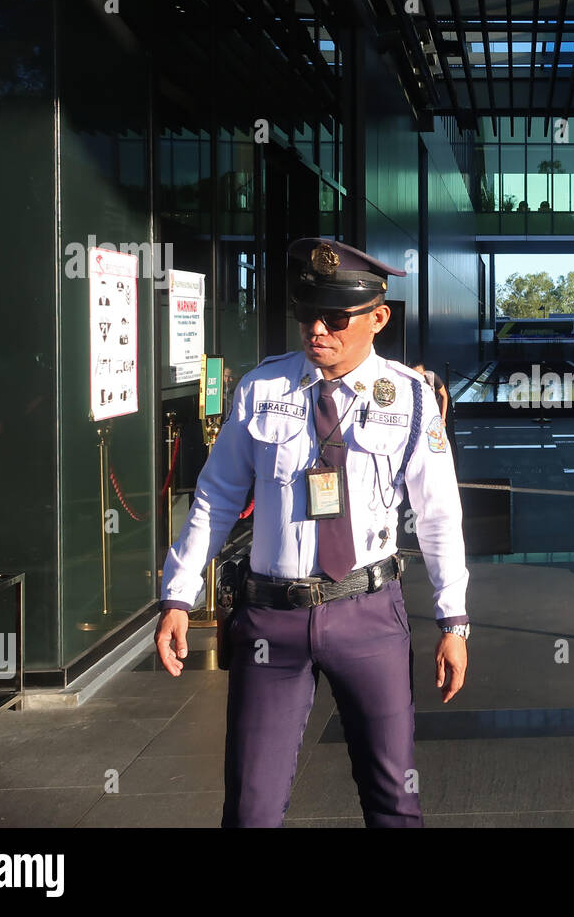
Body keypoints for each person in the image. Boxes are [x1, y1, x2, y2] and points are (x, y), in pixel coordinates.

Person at [155, 238, 470, 828]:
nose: (316, 328)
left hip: (369, 614)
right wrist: (179, 593)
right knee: (250, 809)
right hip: (271, 618)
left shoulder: (410, 398)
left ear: (379, 318)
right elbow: (216, 496)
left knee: (394, 802)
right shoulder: (262, 389)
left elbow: (438, 516)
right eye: (306, 313)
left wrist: (453, 620)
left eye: (334, 317)